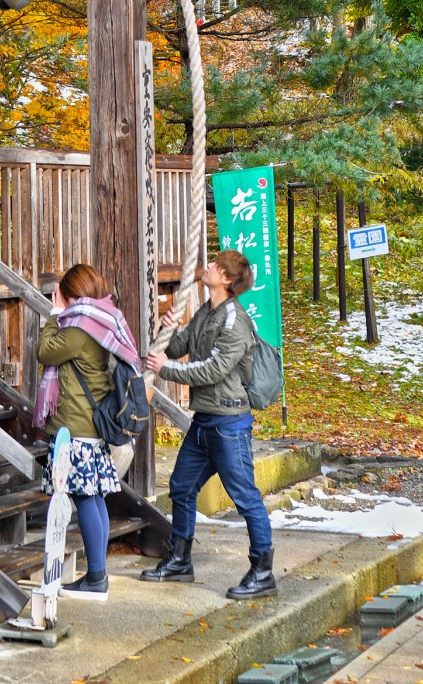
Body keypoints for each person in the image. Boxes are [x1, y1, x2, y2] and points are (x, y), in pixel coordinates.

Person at [142, 248, 277, 600]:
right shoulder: (207, 310)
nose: (210, 267)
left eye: (217, 265)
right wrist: (166, 328)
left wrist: (163, 369)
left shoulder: (236, 321)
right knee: (182, 486)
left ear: (228, 280)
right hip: (204, 421)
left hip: (229, 424)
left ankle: (262, 571)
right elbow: (179, 347)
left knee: (245, 497)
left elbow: (212, 370)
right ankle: (180, 561)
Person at [33, 262, 142, 602]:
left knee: (84, 498)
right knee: (93, 497)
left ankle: (96, 578)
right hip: (90, 423)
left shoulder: (79, 327)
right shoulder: (102, 319)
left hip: (77, 425)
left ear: (68, 294)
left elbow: (45, 351)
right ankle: (97, 574)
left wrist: (53, 314)